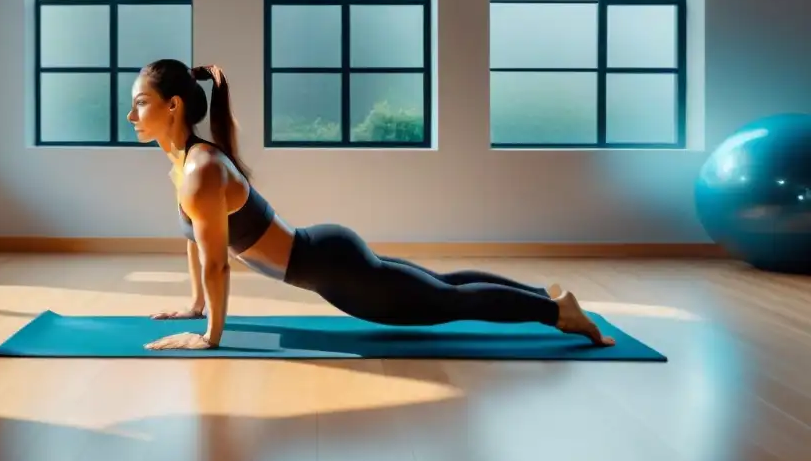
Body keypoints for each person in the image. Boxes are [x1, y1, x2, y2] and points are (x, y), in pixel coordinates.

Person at [127, 59, 615, 351]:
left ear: (173, 105)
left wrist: (210, 336)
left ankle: (557, 314)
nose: (132, 114)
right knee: (443, 285)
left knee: (446, 302)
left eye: (141, 102)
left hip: (334, 270)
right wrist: (195, 307)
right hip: (328, 256)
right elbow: (197, 243)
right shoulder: (183, 164)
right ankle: (544, 296)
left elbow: (218, 264)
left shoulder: (201, 170)